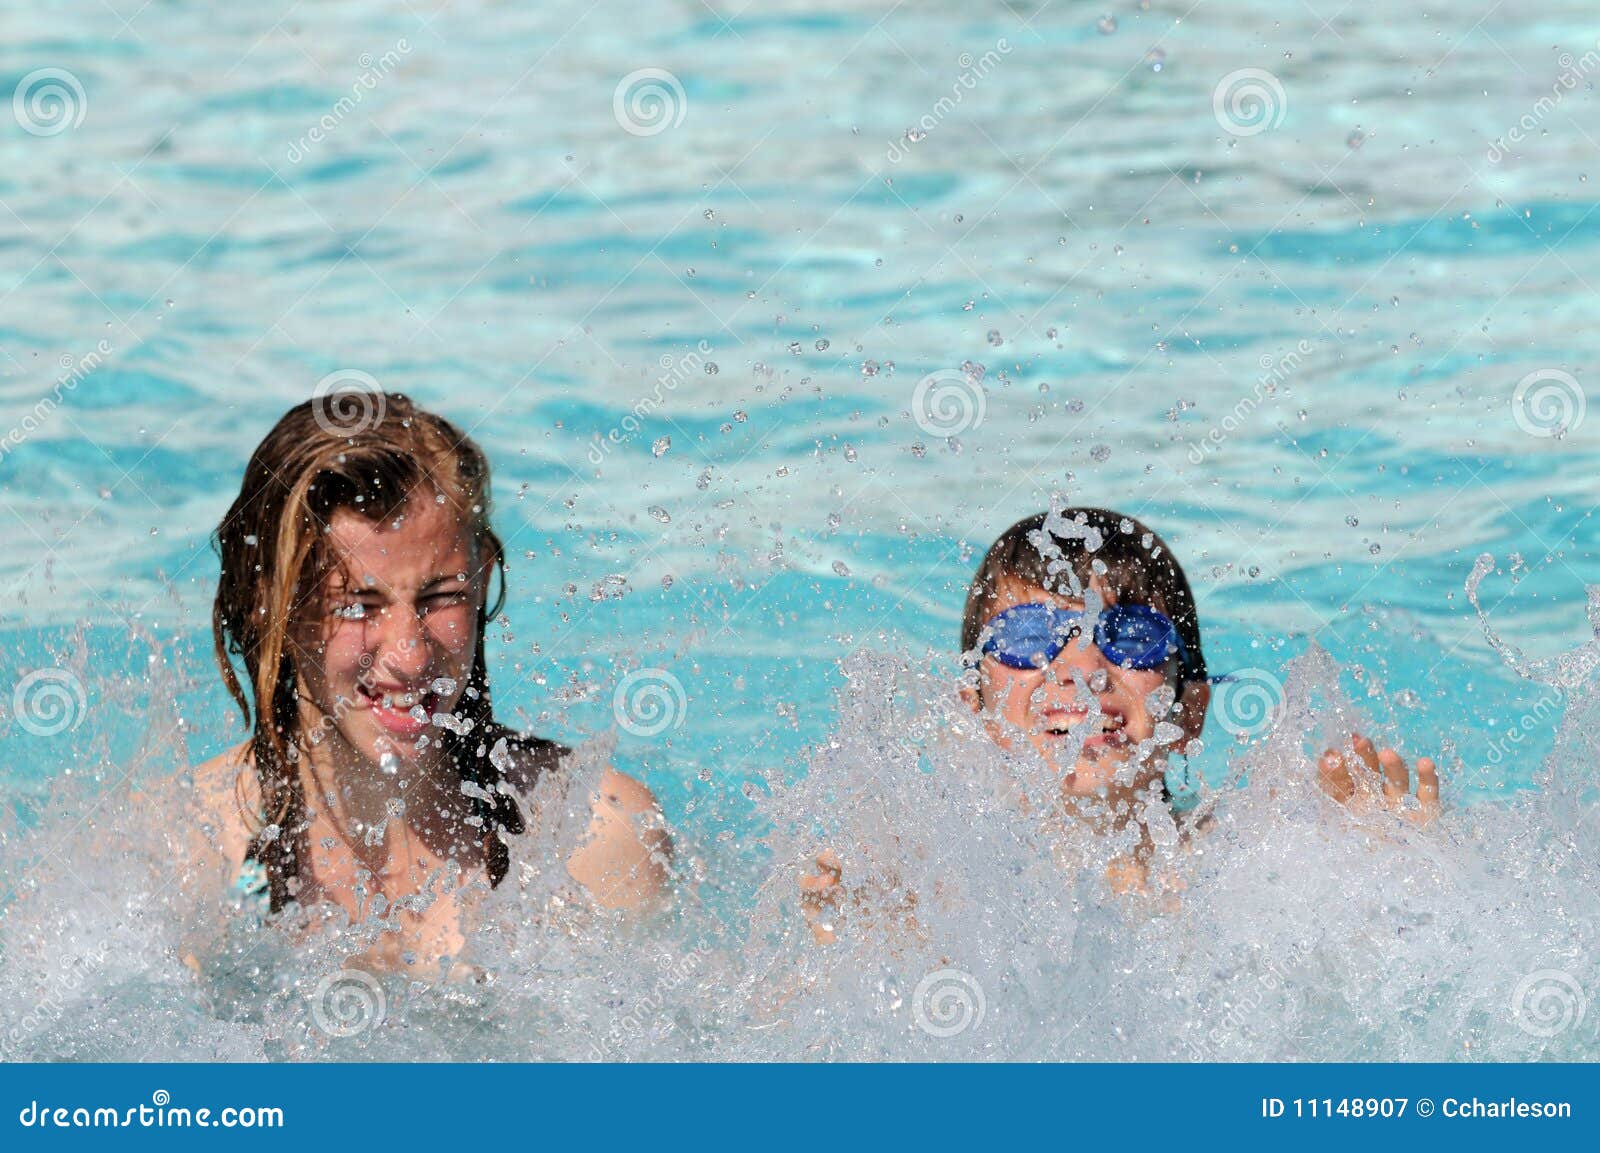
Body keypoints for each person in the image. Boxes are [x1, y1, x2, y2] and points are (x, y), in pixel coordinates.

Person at [186, 392, 669, 975]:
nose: (411, 657)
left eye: (443, 597)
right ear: (273, 610)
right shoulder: (191, 852)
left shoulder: (592, 835)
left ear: (484, 576)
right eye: (359, 605)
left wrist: (812, 952)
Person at [803, 506, 1438, 940]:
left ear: (1190, 713)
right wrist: (859, 942)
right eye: (1029, 637)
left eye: (1131, 636)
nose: (1081, 668)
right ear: (975, 712)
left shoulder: (1250, 864)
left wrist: (1391, 868)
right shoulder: (937, 898)